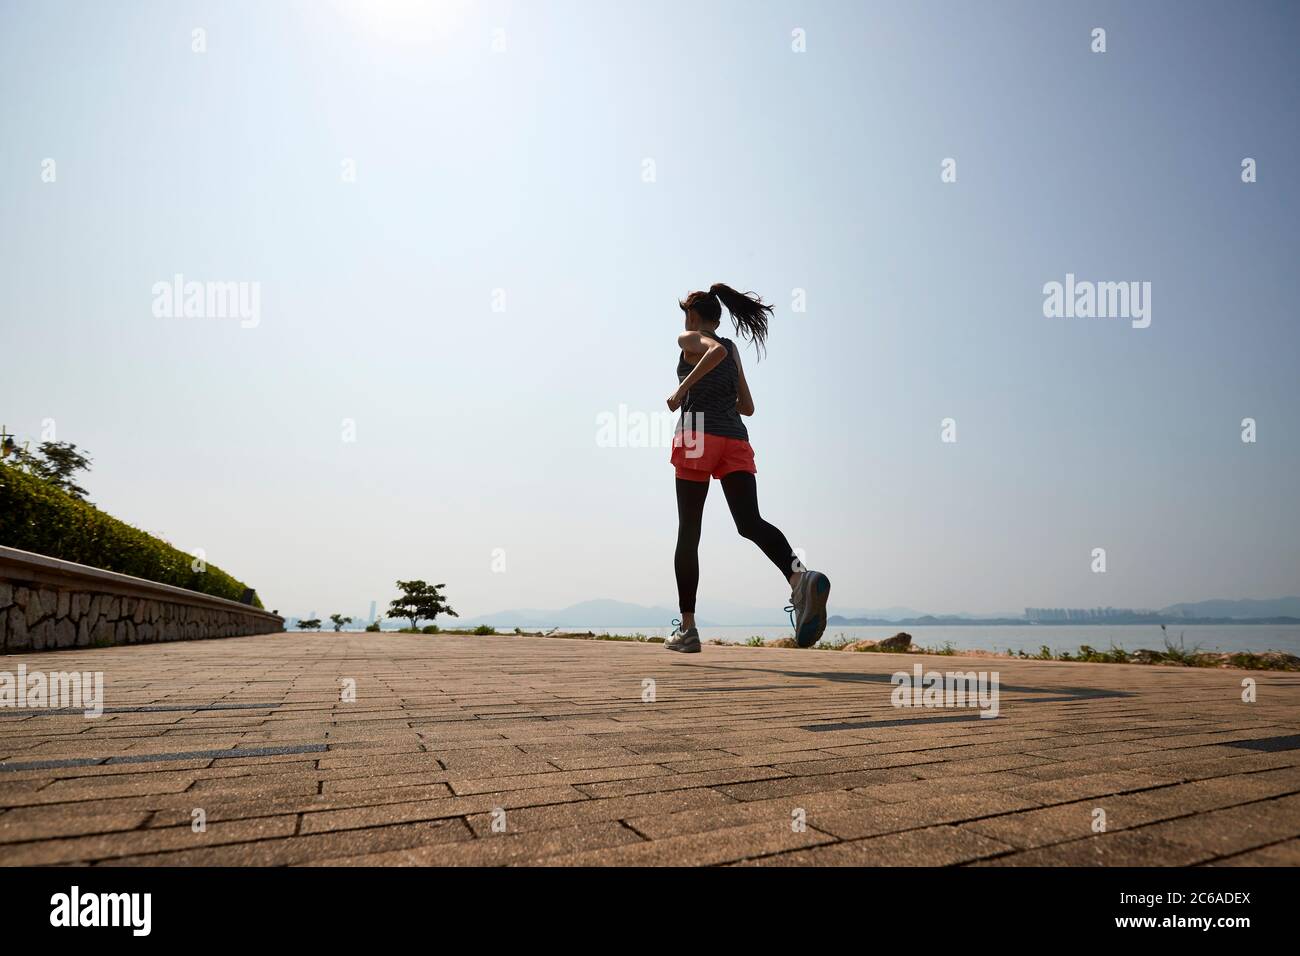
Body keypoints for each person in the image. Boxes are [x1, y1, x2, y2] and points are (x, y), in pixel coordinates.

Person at [664, 283, 830, 653]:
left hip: (696, 438)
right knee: (749, 522)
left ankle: (687, 629)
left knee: (689, 530)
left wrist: (681, 392)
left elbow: (714, 349)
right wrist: (719, 398)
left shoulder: (689, 337)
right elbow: (748, 406)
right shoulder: (734, 349)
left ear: (692, 315)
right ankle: (800, 577)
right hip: (734, 440)